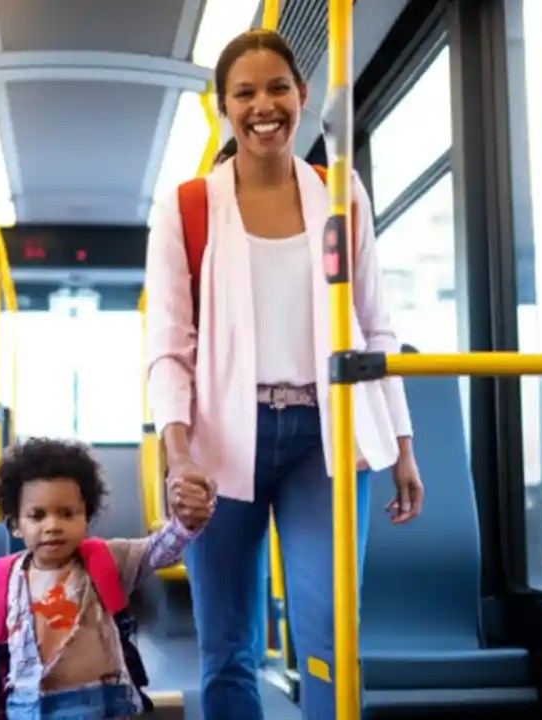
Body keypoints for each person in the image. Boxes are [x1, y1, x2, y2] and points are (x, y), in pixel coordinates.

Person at [143, 28, 424, 719]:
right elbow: (168, 346)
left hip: (327, 438)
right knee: (228, 646)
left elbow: (374, 323)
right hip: (219, 441)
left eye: (277, 89)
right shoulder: (189, 207)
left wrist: (405, 445)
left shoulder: (339, 191)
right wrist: (178, 457)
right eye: (245, 93)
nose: (263, 105)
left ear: (302, 97)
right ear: (224, 108)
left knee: (331, 635)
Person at [0, 438, 216, 719]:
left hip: (102, 703)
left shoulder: (106, 559)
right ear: (15, 525)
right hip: (28, 706)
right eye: (37, 516)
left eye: (67, 513)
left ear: (86, 516)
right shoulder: (3, 581)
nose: (53, 526)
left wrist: (185, 523)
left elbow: (156, 550)